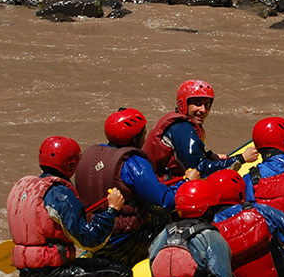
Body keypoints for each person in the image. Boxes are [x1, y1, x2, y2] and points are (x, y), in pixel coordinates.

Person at [6, 135, 133, 277]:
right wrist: (112, 210)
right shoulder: (60, 193)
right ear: (71, 166)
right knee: (122, 274)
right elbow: (90, 240)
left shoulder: (26, 186)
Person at [74, 108, 194, 266]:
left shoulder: (91, 155)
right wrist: (186, 182)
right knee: (180, 224)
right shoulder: (133, 163)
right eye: (143, 133)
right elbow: (164, 201)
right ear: (135, 137)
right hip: (126, 242)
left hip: (98, 235)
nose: (144, 138)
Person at [143, 79, 259, 181]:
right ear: (183, 104)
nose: (203, 110)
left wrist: (209, 156)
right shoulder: (182, 128)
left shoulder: (180, 124)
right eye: (198, 104)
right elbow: (200, 170)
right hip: (164, 187)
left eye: (206, 105)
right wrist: (242, 158)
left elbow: (187, 157)